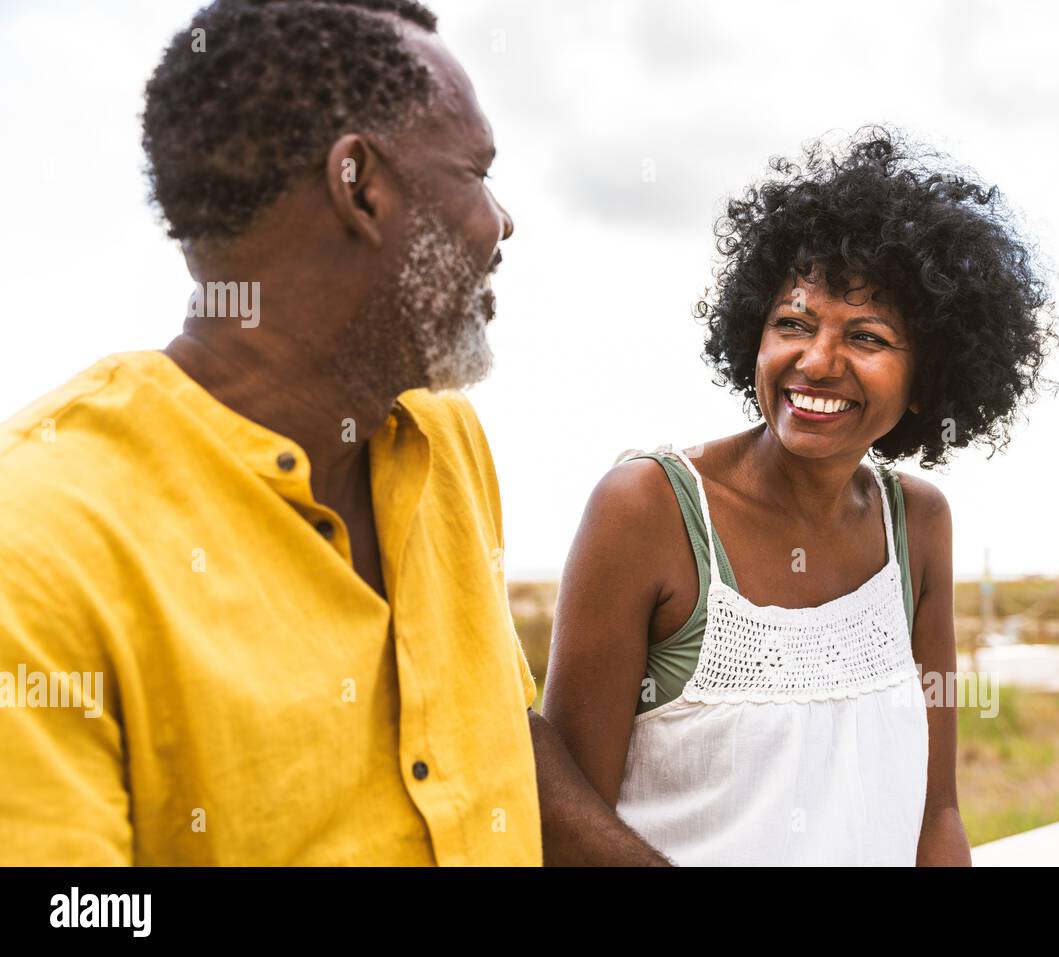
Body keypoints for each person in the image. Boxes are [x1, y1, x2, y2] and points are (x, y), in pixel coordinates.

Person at [0, 0, 666, 867]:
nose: (503, 225)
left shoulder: (444, 438)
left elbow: (495, 740)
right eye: (477, 174)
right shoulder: (41, 543)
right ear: (360, 185)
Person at [542, 127, 1058, 866]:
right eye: (793, 323)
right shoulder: (646, 508)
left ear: (929, 377)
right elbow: (566, 821)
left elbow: (936, 809)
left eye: (868, 336)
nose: (816, 362)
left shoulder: (918, 521)